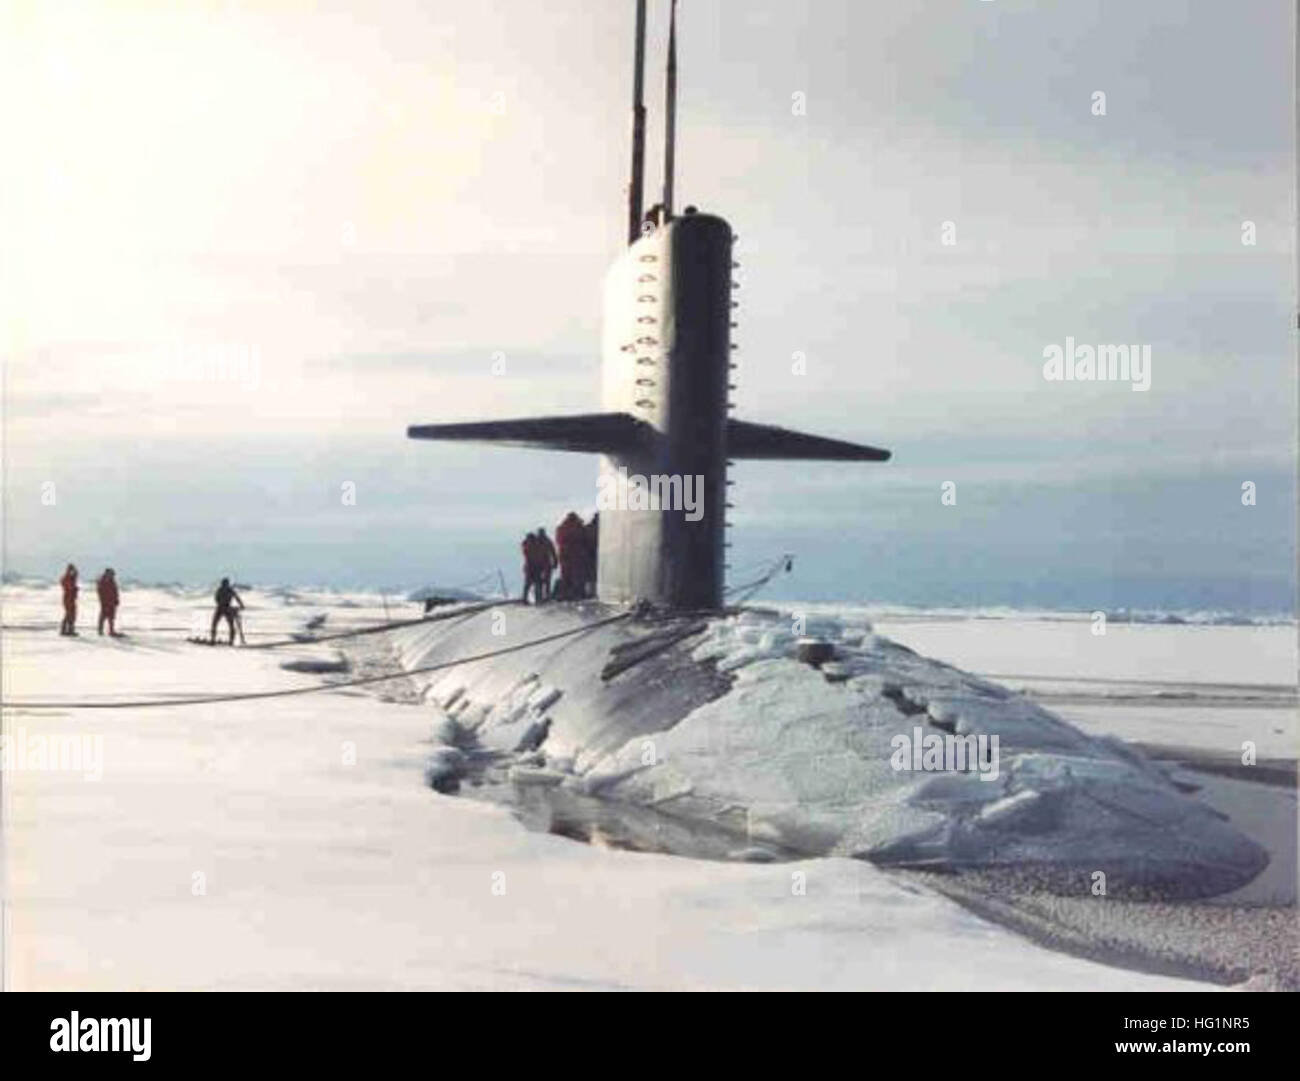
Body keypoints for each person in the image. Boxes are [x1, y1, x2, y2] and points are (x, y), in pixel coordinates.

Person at [554, 512, 587, 600]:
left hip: (565, 555)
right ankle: (576, 593)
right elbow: (584, 538)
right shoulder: (578, 527)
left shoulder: (561, 528)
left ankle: (566, 594)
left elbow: (559, 540)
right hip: (576, 555)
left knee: (566, 575)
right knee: (576, 575)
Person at [210, 577, 244, 645]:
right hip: (221, 608)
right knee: (215, 624)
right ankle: (213, 639)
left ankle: (230, 641)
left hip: (226, 608)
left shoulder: (229, 590)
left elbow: (237, 597)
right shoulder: (221, 590)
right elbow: (216, 599)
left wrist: (241, 605)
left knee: (230, 625)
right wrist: (241, 605)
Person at [535, 527, 558, 601]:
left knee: (546, 581)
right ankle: (540, 597)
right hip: (539, 564)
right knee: (539, 581)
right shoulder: (537, 541)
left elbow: (553, 552)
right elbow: (553, 552)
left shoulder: (547, 541)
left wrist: (555, 562)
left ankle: (545, 596)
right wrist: (555, 562)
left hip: (545, 563)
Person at [96, 567, 120, 636]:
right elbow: (101, 593)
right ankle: (100, 630)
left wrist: (116, 600)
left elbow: (115, 591)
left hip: (112, 602)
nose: (112, 576)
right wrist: (104, 601)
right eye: (111, 574)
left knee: (111, 617)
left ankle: (111, 631)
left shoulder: (112, 581)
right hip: (105, 602)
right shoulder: (102, 581)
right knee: (103, 616)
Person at [521, 532, 544, 604]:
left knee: (531, 584)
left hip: (531, 567)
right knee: (535, 584)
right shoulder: (534, 546)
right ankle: (537, 599)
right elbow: (538, 557)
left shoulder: (527, 546)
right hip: (533, 567)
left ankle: (527, 598)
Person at [59, 563, 79, 636]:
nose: (72, 572)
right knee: (69, 614)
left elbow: (76, 577)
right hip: (68, 598)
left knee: (72, 614)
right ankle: (64, 630)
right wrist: (74, 589)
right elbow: (69, 587)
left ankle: (70, 629)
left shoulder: (71, 578)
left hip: (72, 598)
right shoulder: (66, 578)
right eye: (71, 570)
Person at [583, 513, 600, 597]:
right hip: (592, 554)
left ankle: (590, 592)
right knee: (591, 576)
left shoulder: (586, 528)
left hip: (587, 555)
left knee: (589, 576)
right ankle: (591, 592)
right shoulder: (598, 529)